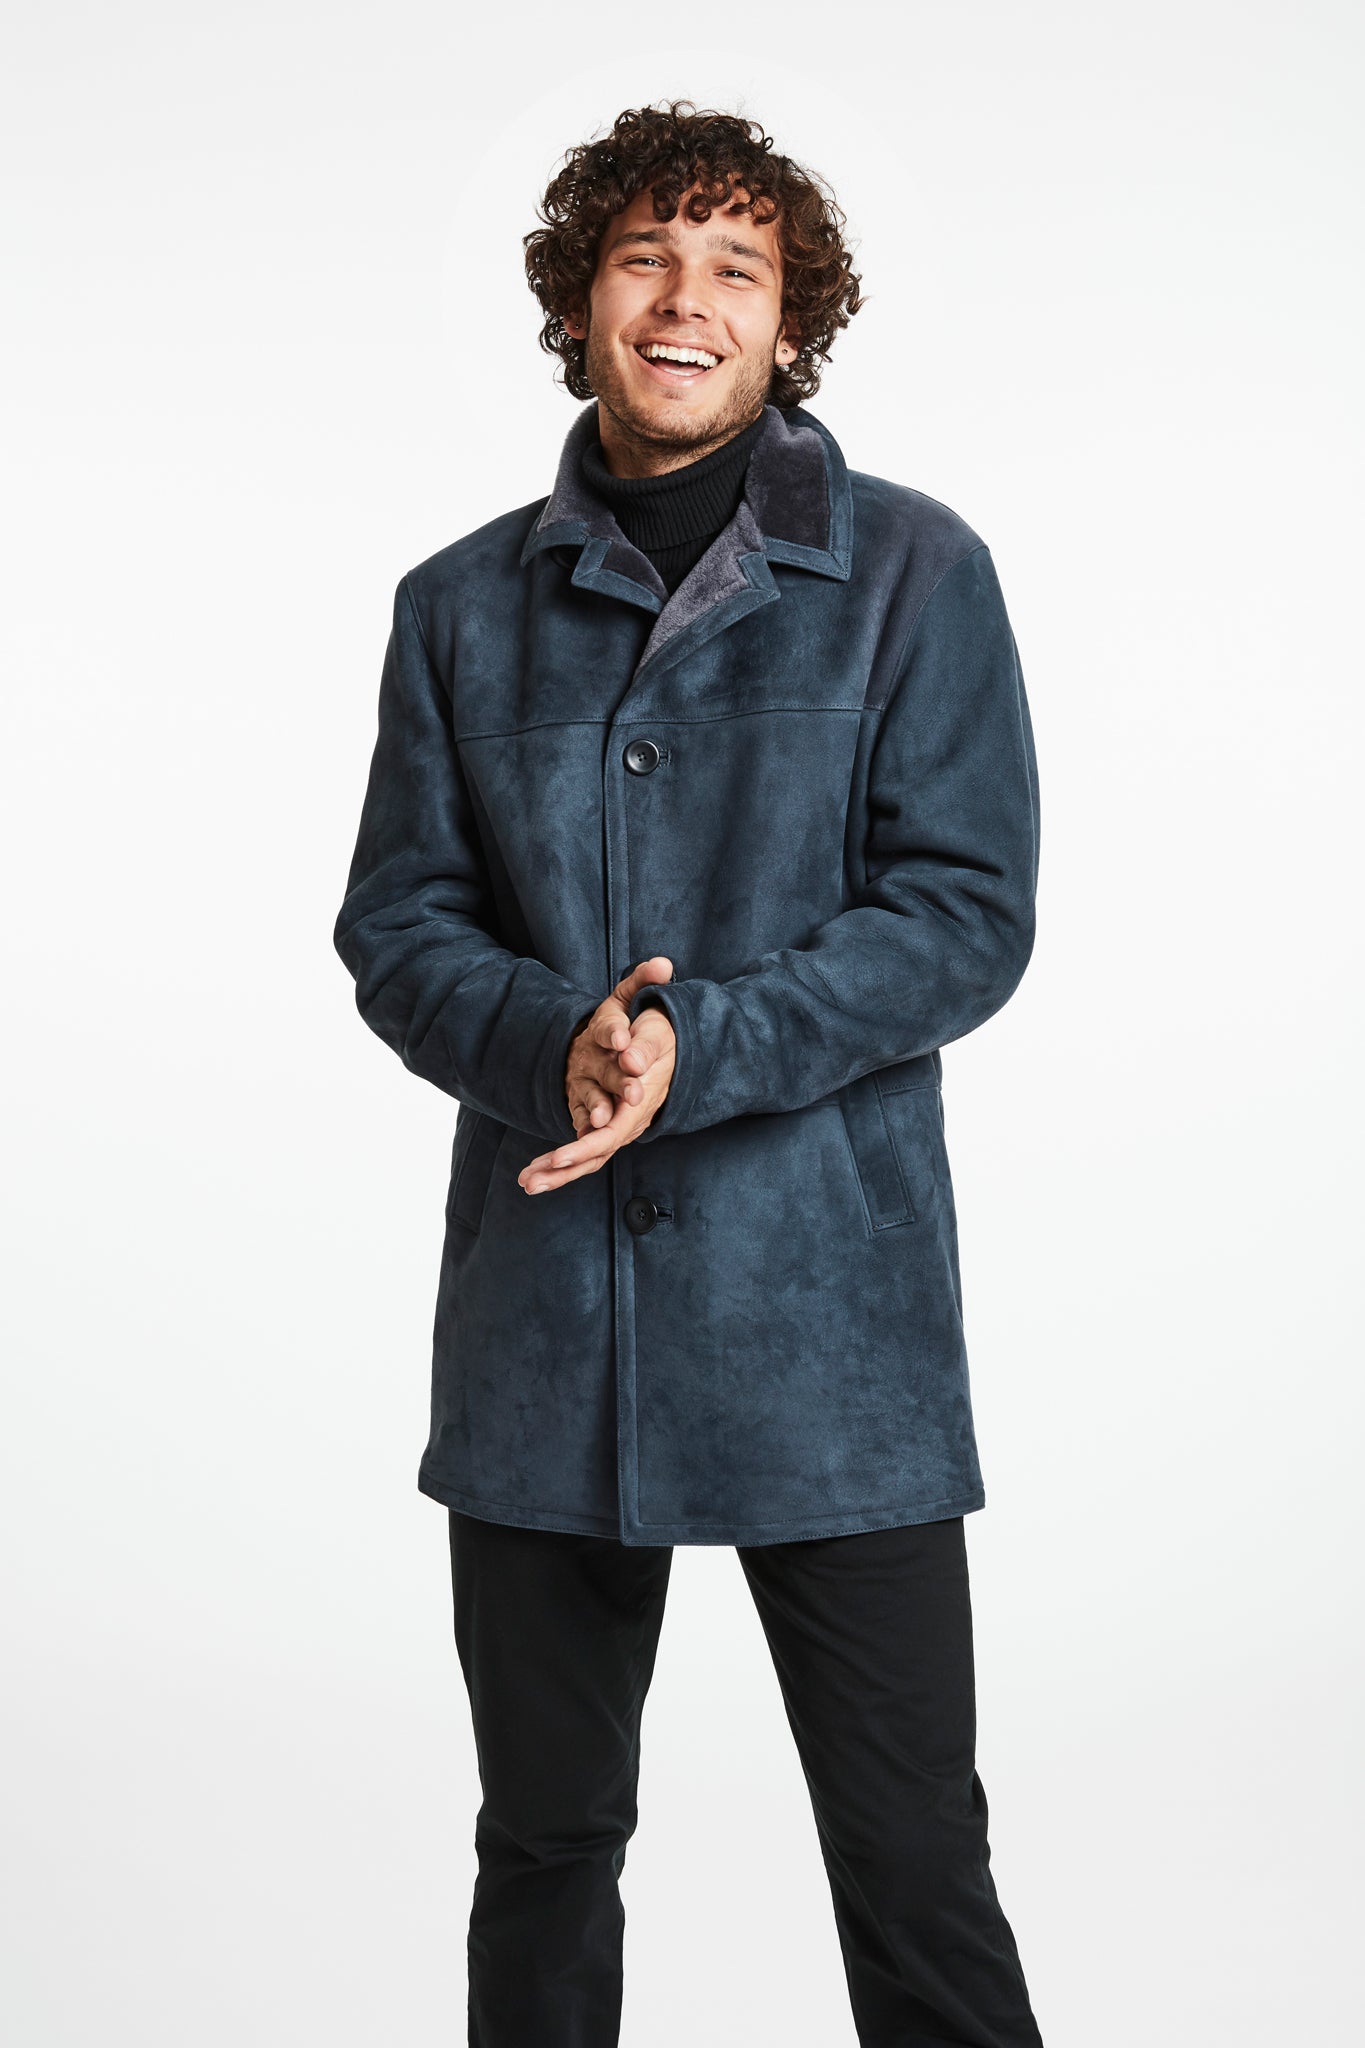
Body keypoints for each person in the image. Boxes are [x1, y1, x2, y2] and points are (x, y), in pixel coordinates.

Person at [334, 97, 1046, 2048]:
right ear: (579, 299)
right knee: (544, 1844)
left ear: (788, 322)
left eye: (736, 268)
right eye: (645, 255)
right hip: (546, 1330)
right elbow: (400, 925)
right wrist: (544, 1038)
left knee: (910, 1853)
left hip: (834, 1326)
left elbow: (962, 912)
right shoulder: (455, 608)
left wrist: (697, 1041)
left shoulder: (912, 576)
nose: (684, 300)